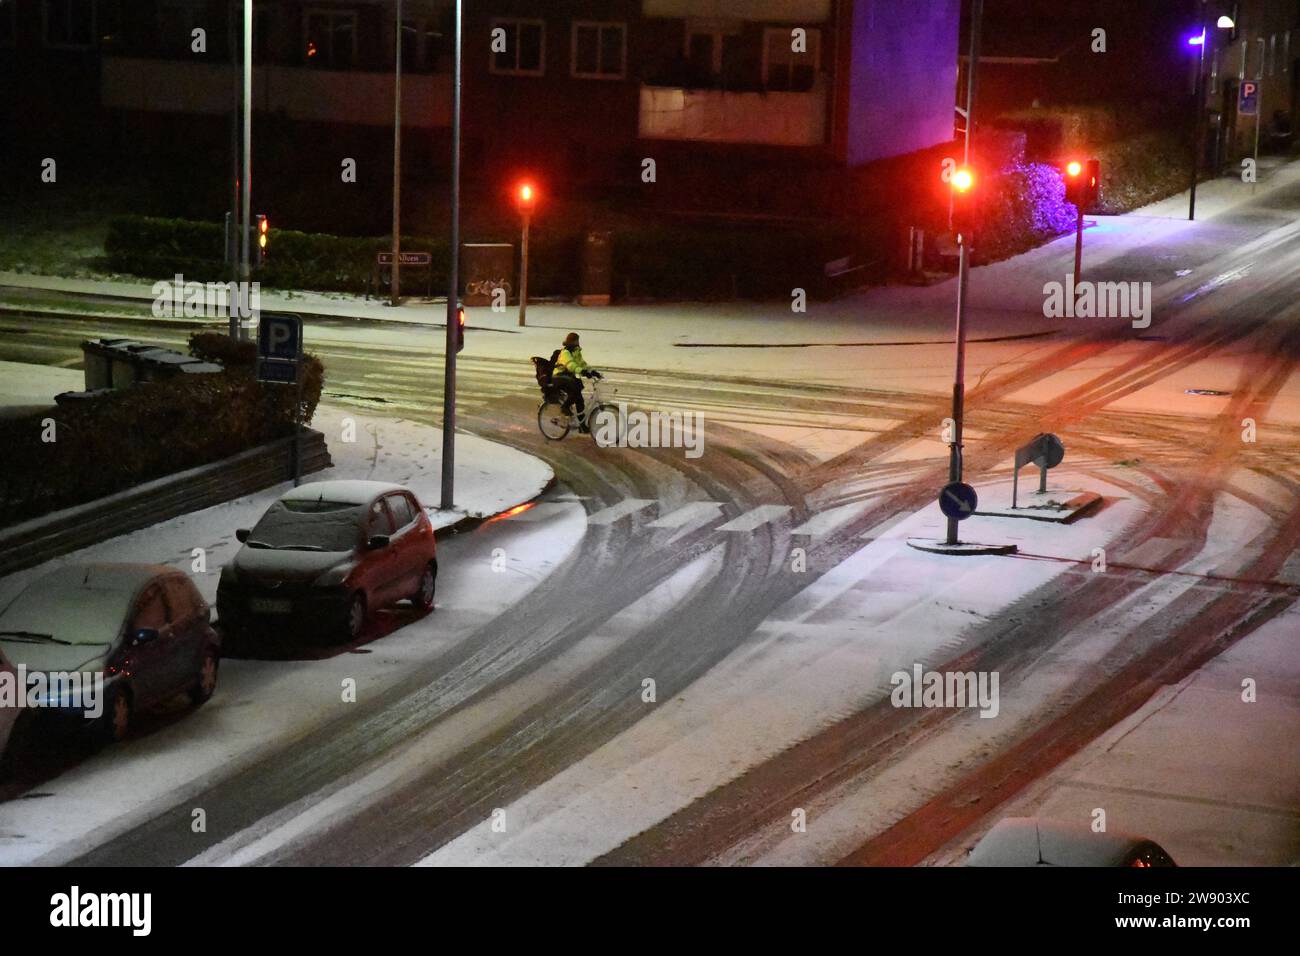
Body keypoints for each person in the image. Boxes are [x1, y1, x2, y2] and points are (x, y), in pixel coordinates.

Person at [552, 332, 601, 432]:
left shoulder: (576, 352)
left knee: (579, 400)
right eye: (576, 340)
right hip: (559, 376)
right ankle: (565, 407)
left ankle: (582, 427)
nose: (578, 342)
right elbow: (571, 365)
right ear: (572, 341)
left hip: (568, 376)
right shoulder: (565, 352)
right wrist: (582, 371)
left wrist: (592, 371)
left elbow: (582, 364)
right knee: (575, 392)